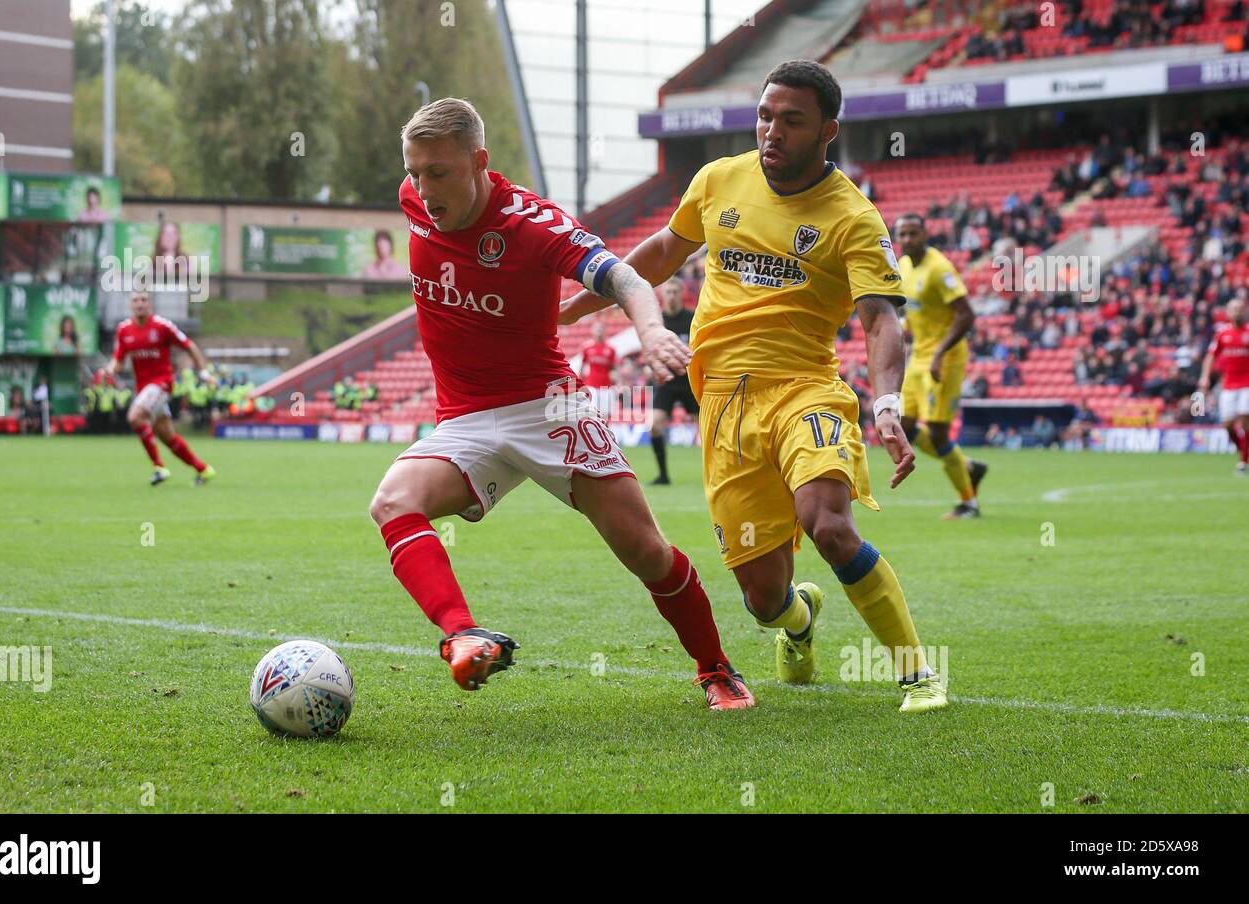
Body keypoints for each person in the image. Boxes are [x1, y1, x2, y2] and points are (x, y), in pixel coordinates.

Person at [562, 60, 946, 712]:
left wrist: (886, 404)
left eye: (791, 121)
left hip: (805, 390)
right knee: (763, 600)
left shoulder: (853, 217)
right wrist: (583, 301)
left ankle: (917, 672)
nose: (772, 132)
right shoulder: (718, 180)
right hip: (725, 405)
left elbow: (882, 322)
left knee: (828, 526)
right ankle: (799, 622)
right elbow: (661, 250)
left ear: (828, 129)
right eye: (766, 116)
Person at [368, 97, 754, 710]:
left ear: (479, 161)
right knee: (392, 501)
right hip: (465, 418)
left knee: (644, 551)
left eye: (437, 172)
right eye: (414, 171)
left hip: (550, 408)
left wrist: (652, 331)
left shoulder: (532, 223)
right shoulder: (414, 201)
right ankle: (462, 635)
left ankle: (716, 668)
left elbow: (625, 277)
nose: (422, 186)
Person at [894, 213, 988, 519]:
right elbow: (922, 311)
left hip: (944, 359)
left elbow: (965, 314)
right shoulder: (904, 266)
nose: (907, 240)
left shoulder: (939, 268)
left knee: (937, 433)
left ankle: (968, 503)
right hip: (919, 355)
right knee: (903, 426)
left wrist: (938, 355)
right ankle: (967, 466)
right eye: (902, 234)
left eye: (913, 233)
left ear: (925, 234)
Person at [98, 291, 217, 486]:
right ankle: (204, 469)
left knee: (135, 417)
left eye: (144, 300)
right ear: (130, 306)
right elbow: (118, 362)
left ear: (150, 304)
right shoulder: (124, 330)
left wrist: (203, 373)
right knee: (168, 437)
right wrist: (109, 370)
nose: (140, 304)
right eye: (135, 300)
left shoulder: (162, 326)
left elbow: (190, 346)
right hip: (144, 388)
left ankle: (159, 468)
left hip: (162, 384)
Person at [644, 278, 697, 485]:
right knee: (655, 426)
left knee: (712, 429)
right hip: (666, 380)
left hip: (690, 380)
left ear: (682, 293)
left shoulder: (693, 319)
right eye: (668, 292)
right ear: (663, 295)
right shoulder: (658, 322)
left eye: (675, 291)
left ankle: (722, 474)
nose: (672, 296)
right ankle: (663, 475)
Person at [1198, 297, 1249, 475]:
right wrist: (1205, 376)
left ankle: (1243, 463)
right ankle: (1243, 451)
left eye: (1240, 309)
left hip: (1247, 383)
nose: (1237, 312)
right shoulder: (1222, 334)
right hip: (1228, 384)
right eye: (1233, 309)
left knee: (1244, 420)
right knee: (1227, 425)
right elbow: (1211, 355)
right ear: (1228, 313)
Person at [578, 322, 618, 418]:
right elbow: (582, 366)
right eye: (597, 329)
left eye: (601, 329)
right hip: (591, 385)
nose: (599, 332)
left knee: (605, 415)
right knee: (592, 413)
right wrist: (579, 384)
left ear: (605, 332)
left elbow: (614, 368)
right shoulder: (587, 348)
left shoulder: (610, 349)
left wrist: (617, 383)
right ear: (592, 331)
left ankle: (603, 432)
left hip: (606, 386)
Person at [154, 222, 189, 286]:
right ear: (160, 237)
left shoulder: (187, 261)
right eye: (166, 234)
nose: (170, 237)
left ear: (178, 237)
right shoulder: (152, 262)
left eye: (174, 233)